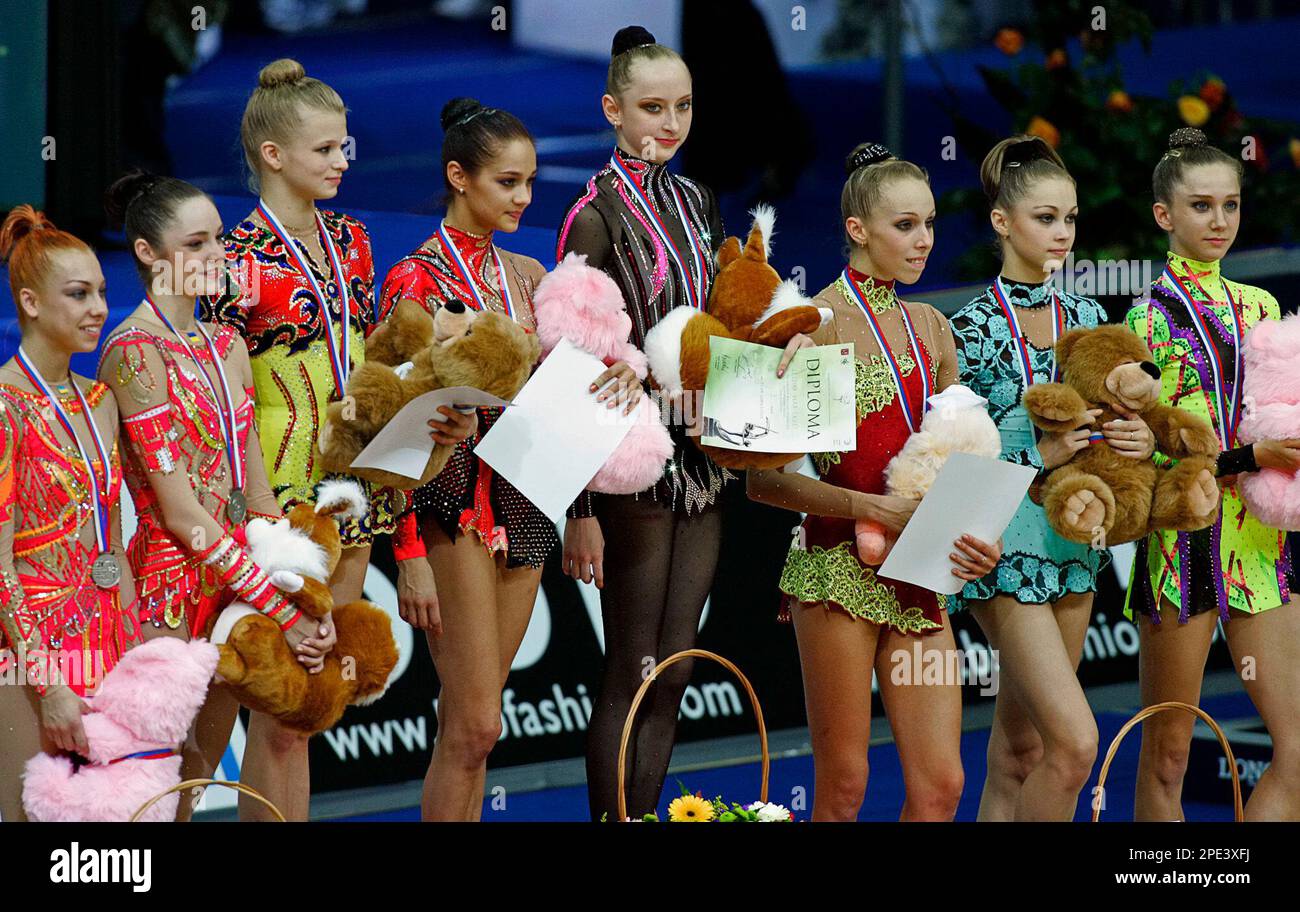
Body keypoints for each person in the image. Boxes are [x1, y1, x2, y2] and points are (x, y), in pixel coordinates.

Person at [198, 58, 472, 818]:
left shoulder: (352, 240)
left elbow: (370, 364)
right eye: (325, 150)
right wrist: (257, 512)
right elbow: (226, 401)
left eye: (345, 147)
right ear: (272, 155)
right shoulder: (231, 261)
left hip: (352, 490)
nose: (342, 162)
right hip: (278, 500)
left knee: (312, 702)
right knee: (272, 695)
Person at [557, 25, 809, 821]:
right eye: (651, 107)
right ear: (612, 109)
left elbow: (708, 319)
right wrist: (580, 510)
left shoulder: (697, 198)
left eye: (684, 107)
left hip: (699, 454)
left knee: (674, 671)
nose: (670, 123)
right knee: (631, 671)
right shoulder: (592, 215)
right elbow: (564, 367)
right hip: (626, 461)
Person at [377, 98, 623, 820]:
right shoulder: (411, 282)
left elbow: (562, 398)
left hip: (526, 498)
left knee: (476, 729)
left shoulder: (527, 274)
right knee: (476, 722)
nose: (523, 198)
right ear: (459, 177)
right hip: (448, 505)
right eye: (507, 183)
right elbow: (387, 429)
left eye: (529, 183)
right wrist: (408, 549)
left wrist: (582, 513)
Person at [747, 144, 1002, 821]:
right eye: (904, 226)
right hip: (836, 569)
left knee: (942, 785)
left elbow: (963, 458)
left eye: (929, 225)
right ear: (858, 230)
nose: (922, 242)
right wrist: (869, 507)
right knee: (844, 785)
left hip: (920, 572)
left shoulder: (933, 327)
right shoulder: (810, 324)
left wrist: (976, 534)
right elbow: (764, 485)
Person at [99, 170, 331, 821]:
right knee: (150, 788)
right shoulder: (133, 354)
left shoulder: (225, 344)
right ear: (148, 253)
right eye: (195, 244)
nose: (215, 257)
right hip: (164, 589)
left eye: (219, 241)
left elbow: (254, 485)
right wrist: (279, 607)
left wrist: (299, 587)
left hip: (229, 582)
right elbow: (179, 512)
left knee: (198, 778)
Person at [949, 135, 1156, 821]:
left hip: (1074, 546)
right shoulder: (970, 329)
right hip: (1002, 550)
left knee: (1022, 753)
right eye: (1045, 217)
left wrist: (1132, 438)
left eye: (1070, 217)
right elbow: (956, 464)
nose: (1062, 231)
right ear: (1002, 222)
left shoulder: (1090, 318)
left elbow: (1108, 438)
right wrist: (1041, 452)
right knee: (1074, 746)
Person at [1126, 127, 1300, 821]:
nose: (1220, 221)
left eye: (1230, 204)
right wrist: (1248, 459)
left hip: (1261, 542)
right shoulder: (1147, 318)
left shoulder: (1261, 306)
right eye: (1201, 206)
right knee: (1167, 753)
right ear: (1165, 216)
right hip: (1183, 541)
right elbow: (1148, 453)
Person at [0, 206, 141, 821]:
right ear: (30, 303)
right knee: (34, 819)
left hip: (108, 632)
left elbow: (112, 529)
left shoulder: (102, 400)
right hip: (28, 646)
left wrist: (135, 655)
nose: (98, 308)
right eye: (78, 294)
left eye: (103, 292)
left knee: (107, 831)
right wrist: (47, 682)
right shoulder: (5, 404)